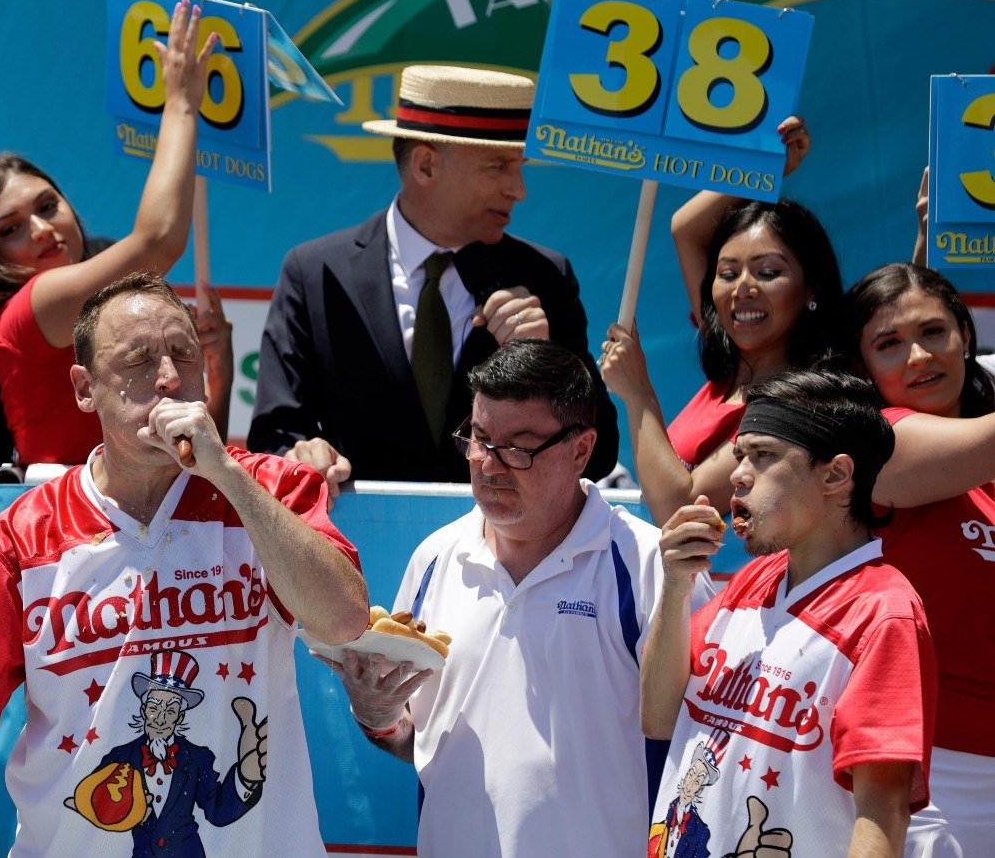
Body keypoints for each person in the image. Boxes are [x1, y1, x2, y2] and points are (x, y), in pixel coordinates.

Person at [0, 274, 368, 857]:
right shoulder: (21, 539)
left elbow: (343, 620)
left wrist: (228, 476)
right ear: (85, 388)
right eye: (137, 360)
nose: (168, 377)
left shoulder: (270, 489)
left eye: (184, 354)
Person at [320, 339, 711, 856]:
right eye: (479, 439)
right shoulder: (434, 557)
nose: (489, 465)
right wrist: (378, 715)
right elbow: (422, 741)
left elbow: (704, 748)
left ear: (581, 450)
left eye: (518, 448)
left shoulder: (650, 567)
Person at [0, 0, 232, 526]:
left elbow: (192, 468)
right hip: (71, 541)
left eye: (48, 206)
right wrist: (183, 102)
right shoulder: (30, 307)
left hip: (154, 537)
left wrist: (216, 378)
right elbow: (159, 241)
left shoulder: (104, 310)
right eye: (11, 229)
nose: (41, 230)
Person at [249, 65, 619, 494]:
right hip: (353, 536)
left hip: (501, 538)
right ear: (426, 165)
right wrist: (303, 456)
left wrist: (546, 364)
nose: (518, 190)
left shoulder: (545, 277)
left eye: (519, 167)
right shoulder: (316, 272)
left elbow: (598, 455)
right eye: (498, 167)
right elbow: (274, 438)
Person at [641, 370, 935, 858]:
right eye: (740, 455)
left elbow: (883, 814)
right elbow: (656, 719)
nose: (738, 475)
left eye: (763, 455)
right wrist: (675, 586)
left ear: (835, 476)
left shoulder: (884, 612)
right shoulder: (753, 580)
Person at [600, 118, 845, 523]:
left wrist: (637, 392)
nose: (742, 289)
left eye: (768, 272)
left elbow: (680, 508)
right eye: (728, 274)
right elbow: (686, 228)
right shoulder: (734, 356)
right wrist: (766, 165)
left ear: (811, 289)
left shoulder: (799, 400)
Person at [840, 263, 995, 856]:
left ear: (965, 335)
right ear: (863, 368)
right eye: (889, 344)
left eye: (933, 332)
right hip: (935, 776)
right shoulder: (879, 443)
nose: (919, 356)